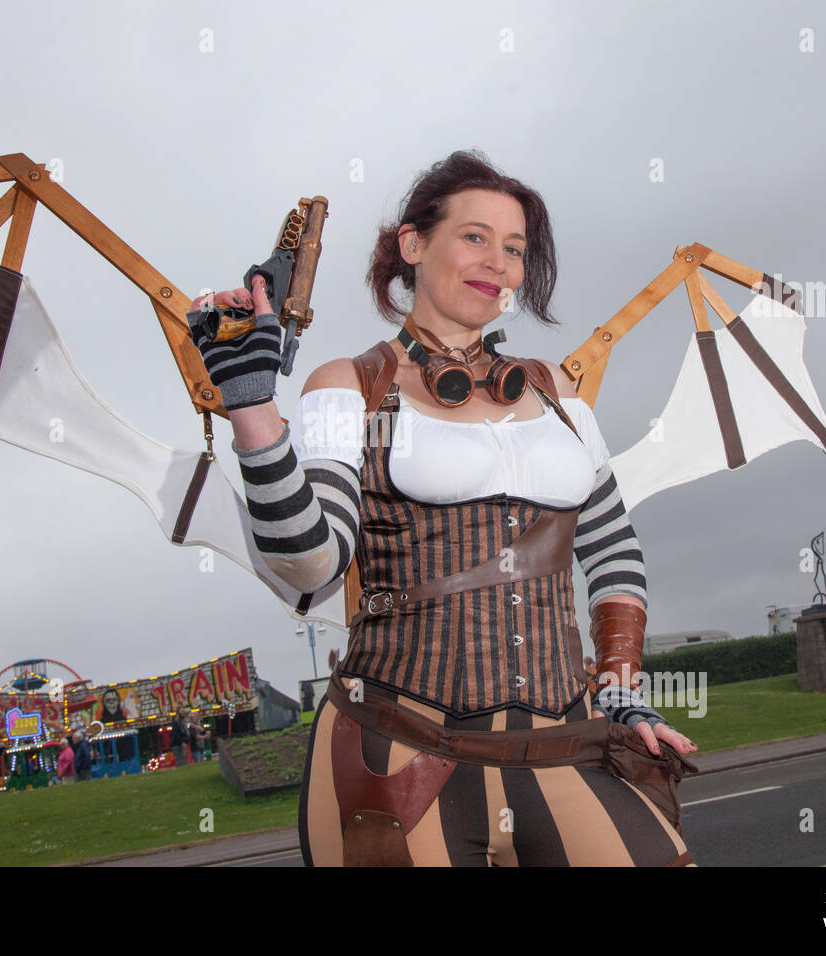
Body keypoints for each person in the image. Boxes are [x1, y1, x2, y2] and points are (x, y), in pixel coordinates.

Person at [189, 150, 699, 867]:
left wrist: (618, 692)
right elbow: (309, 564)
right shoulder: (349, 386)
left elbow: (615, 554)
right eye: (475, 236)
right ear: (413, 244)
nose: (498, 262)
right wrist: (250, 409)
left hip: (563, 740)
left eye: (515, 248)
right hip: (397, 749)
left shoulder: (560, 396)